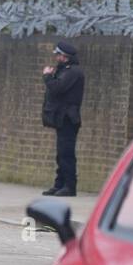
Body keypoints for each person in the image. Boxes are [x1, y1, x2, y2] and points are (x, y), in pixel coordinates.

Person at [41, 40, 85, 197]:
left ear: (64, 56)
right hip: (62, 118)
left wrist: (47, 77)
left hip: (68, 119)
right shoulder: (64, 70)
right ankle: (59, 184)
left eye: (58, 55)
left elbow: (57, 88)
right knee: (61, 153)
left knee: (66, 154)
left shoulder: (73, 72)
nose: (56, 57)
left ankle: (69, 186)